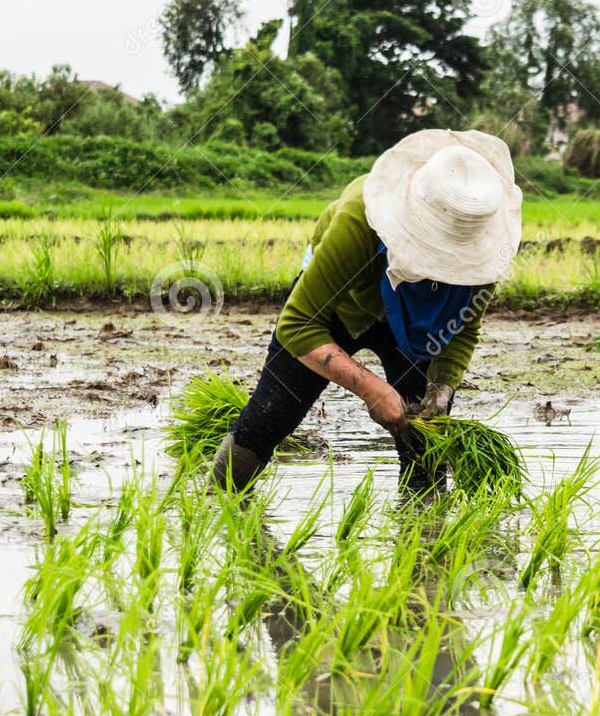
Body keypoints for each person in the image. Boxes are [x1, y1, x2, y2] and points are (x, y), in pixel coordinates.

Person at [212, 129, 522, 493]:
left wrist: (442, 388)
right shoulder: (361, 216)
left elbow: (463, 327)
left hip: (417, 328)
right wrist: (373, 390)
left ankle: (425, 538)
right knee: (270, 416)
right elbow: (297, 326)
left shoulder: (487, 245)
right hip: (336, 310)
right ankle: (218, 507)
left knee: (424, 445)